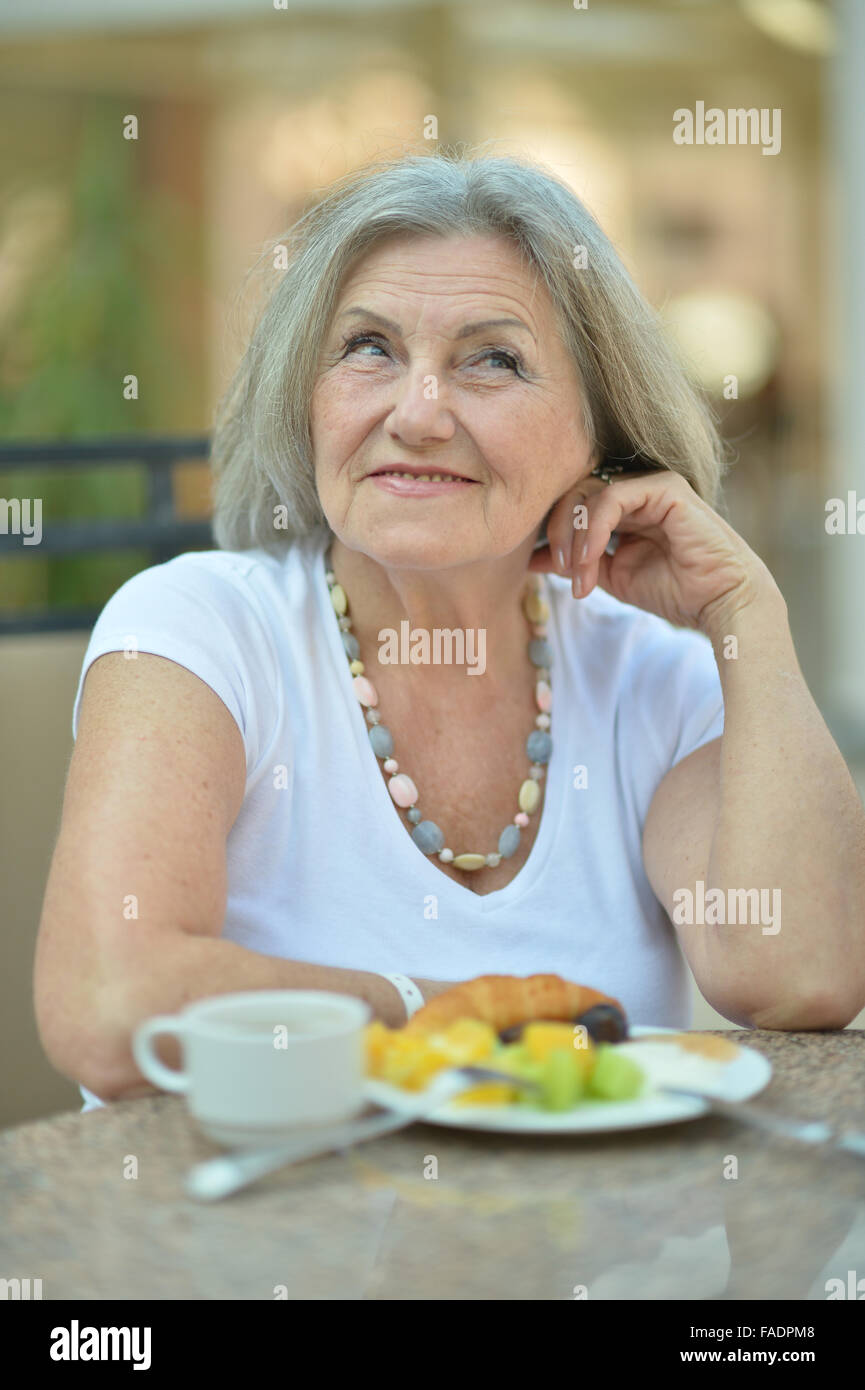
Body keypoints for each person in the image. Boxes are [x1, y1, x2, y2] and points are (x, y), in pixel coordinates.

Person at [33, 150, 865, 1112]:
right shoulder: (198, 629)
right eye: (369, 349)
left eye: (492, 360)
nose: (418, 412)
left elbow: (800, 974)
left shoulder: (655, 679)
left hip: (576, 1247)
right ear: (305, 396)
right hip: (247, 1242)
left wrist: (744, 618)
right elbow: (109, 1007)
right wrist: (454, 1012)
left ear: (602, 433)